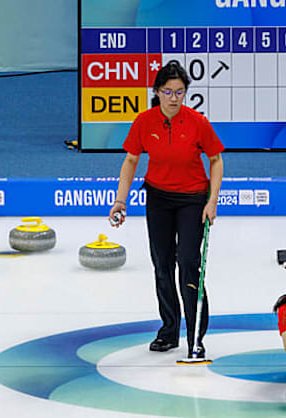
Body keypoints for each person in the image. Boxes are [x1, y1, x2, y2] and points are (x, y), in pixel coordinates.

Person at [109, 61, 224, 358]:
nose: (174, 98)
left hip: (192, 200)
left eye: (180, 92)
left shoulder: (197, 121)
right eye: (168, 92)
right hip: (158, 199)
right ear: (157, 91)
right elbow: (131, 161)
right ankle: (169, 330)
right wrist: (120, 200)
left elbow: (216, 160)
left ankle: (196, 336)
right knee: (162, 265)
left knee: (188, 263)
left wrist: (212, 201)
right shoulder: (144, 122)